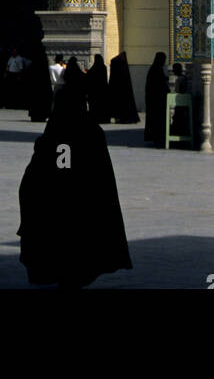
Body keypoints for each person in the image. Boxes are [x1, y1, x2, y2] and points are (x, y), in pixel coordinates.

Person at [18, 58, 132, 288]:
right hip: (83, 200)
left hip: (65, 198)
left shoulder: (63, 127)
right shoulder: (90, 129)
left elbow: (60, 161)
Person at [144, 52, 169, 146]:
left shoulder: (155, 69)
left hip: (153, 99)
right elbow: (159, 84)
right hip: (156, 100)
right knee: (157, 119)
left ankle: (156, 137)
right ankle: (157, 137)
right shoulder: (156, 69)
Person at [108, 51, 139, 124]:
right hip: (123, 92)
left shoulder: (117, 64)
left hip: (118, 92)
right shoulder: (123, 70)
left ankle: (119, 117)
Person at [25, 43, 53, 122]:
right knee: (42, 99)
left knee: (35, 99)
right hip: (43, 86)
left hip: (35, 86)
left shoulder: (34, 63)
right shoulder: (44, 61)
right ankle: (42, 114)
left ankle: (35, 115)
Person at [85, 54, 111, 124]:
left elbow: (91, 75)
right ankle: (104, 119)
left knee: (95, 106)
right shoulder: (104, 67)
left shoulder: (95, 68)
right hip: (103, 90)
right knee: (102, 106)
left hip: (95, 91)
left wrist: (87, 72)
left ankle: (95, 118)